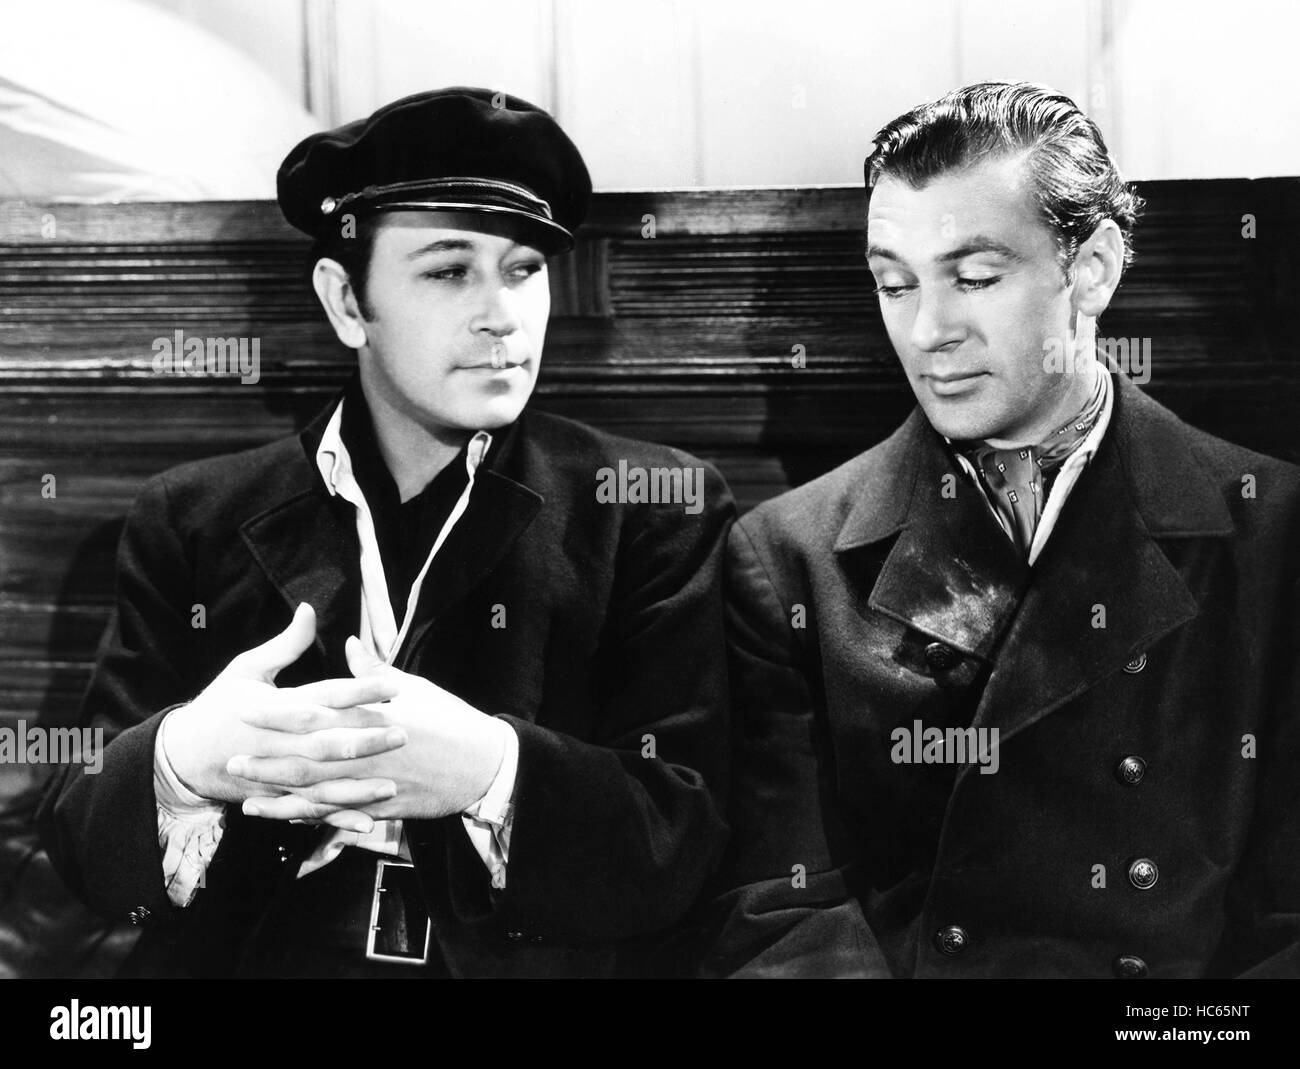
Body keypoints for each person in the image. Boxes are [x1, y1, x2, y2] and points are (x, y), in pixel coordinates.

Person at [38, 88, 734, 978]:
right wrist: (183, 757)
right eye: (450, 271)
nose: (503, 314)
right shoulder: (192, 515)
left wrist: (492, 771)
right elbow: (83, 843)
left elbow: (686, 837)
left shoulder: (647, 509)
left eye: (523, 269)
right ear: (346, 302)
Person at [707, 81, 1300, 978]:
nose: (928, 330)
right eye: (894, 284)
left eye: (975, 277)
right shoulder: (786, 557)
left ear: (1092, 267)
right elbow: (783, 906)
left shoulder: (1277, 534)